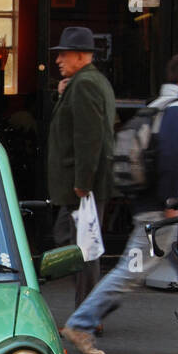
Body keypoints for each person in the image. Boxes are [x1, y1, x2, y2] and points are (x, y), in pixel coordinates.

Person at [59, 53, 178, 354]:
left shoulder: (160, 106)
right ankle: (81, 323)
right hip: (162, 210)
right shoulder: (176, 110)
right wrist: (170, 202)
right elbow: (168, 158)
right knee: (130, 272)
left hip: (163, 207)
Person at [46, 26, 116, 310]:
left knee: (83, 249)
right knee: (71, 242)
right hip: (81, 185)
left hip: (83, 186)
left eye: (63, 55)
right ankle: (87, 311)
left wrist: (83, 183)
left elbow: (89, 137)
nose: (57, 60)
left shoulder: (86, 84)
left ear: (79, 56)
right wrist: (63, 92)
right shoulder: (85, 82)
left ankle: (88, 313)